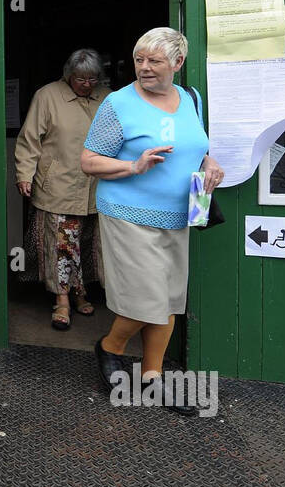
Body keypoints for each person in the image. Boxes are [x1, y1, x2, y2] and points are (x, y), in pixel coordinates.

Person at [80, 27, 224, 415]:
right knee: (148, 299)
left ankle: (152, 378)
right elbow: (89, 161)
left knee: (171, 299)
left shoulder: (191, 98)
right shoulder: (118, 103)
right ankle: (110, 346)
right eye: (139, 59)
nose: (144, 68)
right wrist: (133, 164)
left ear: (177, 63)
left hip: (180, 215)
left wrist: (209, 163)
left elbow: (199, 147)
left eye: (154, 61)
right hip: (128, 215)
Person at [14, 48, 111, 330]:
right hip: (58, 185)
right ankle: (62, 300)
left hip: (97, 186)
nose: (87, 84)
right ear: (69, 76)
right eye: (81, 79)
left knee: (88, 244)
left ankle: (82, 291)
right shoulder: (47, 96)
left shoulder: (107, 98)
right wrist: (25, 174)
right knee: (61, 245)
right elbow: (30, 139)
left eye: (93, 79)